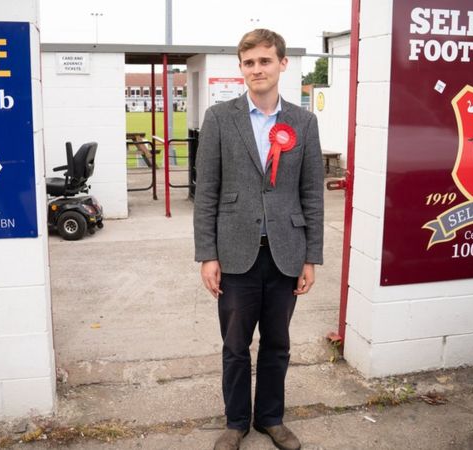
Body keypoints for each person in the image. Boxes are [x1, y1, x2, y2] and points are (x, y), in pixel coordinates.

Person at [193, 29, 324, 450]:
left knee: (278, 343)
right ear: (241, 68)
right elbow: (207, 190)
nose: (257, 70)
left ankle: (271, 418)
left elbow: (311, 194)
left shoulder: (303, 122)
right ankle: (236, 423)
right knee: (235, 345)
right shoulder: (219, 118)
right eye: (249, 63)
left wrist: (312, 256)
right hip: (234, 254)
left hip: (286, 252)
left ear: (282, 64)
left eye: (265, 61)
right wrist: (207, 254)